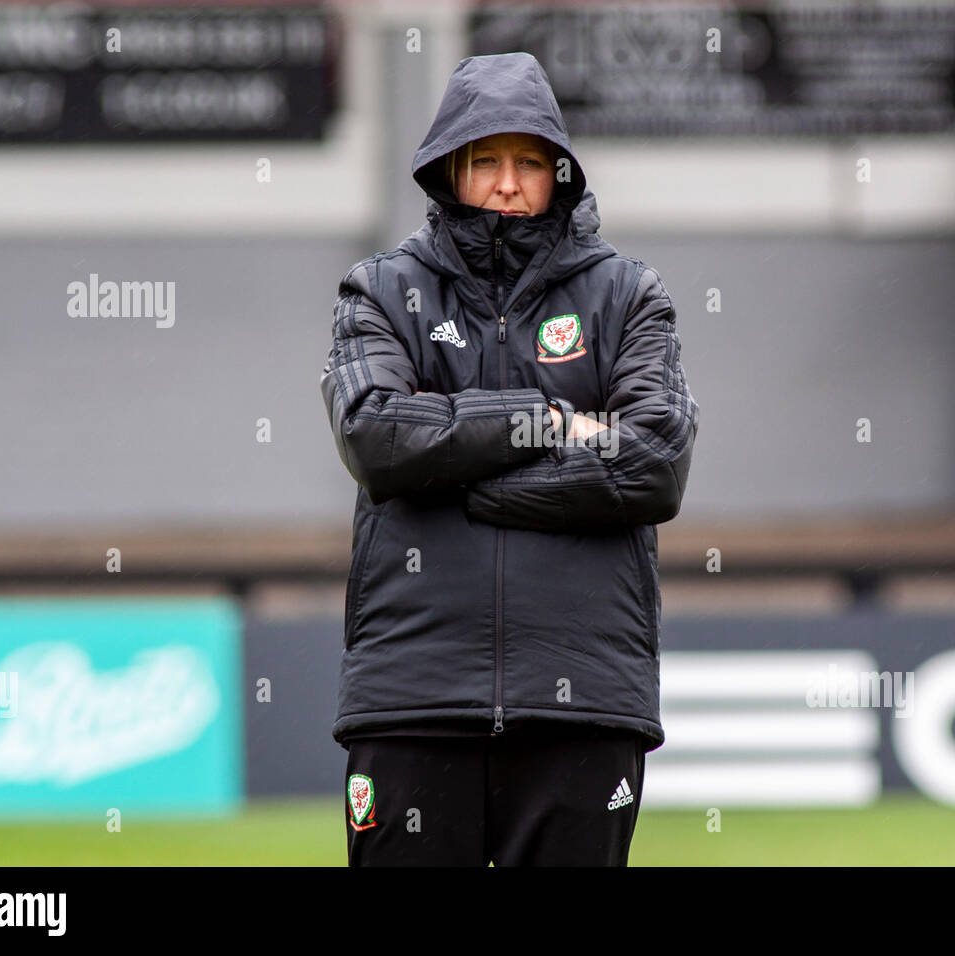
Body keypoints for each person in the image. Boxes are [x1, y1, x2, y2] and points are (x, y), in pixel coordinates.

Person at [319, 52, 698, 866]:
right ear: (449, 170)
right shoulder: (380, 292)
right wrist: (550, 418)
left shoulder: (628, 294)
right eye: (485, 160)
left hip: (583, 706)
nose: (506, 183)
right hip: (412, 700)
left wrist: (482, 490)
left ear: (558, 173)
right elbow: (377, 438)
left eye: (528, 162)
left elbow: (656, 459)